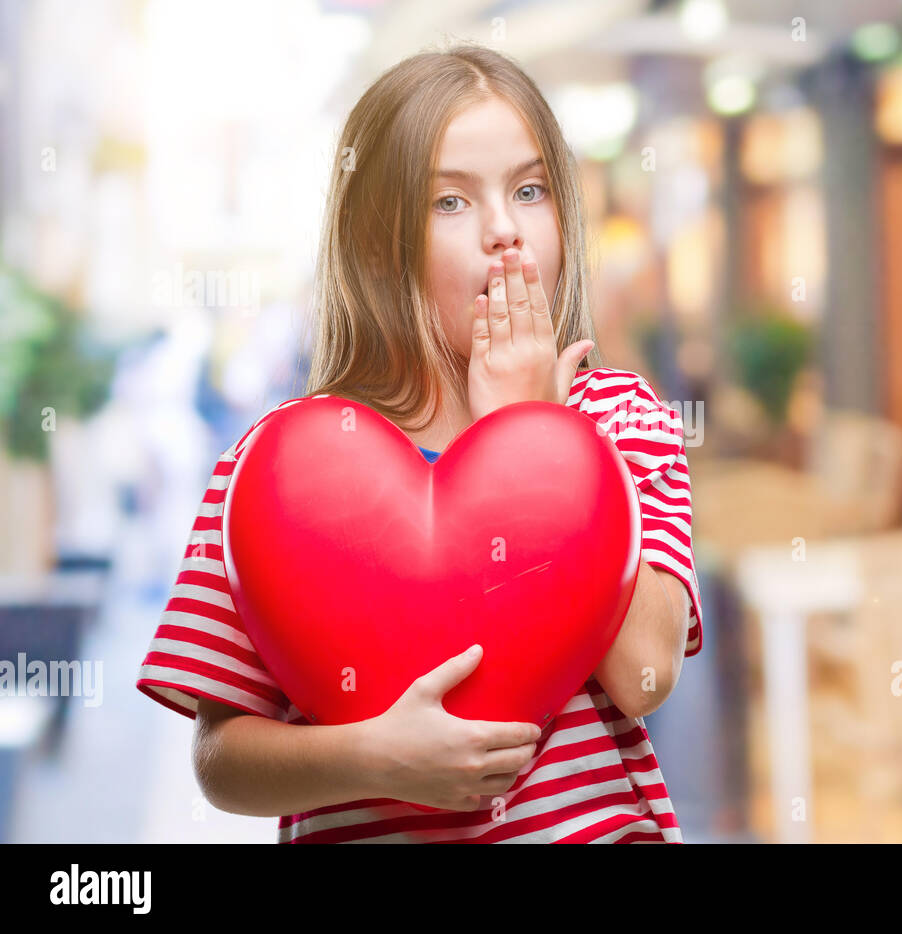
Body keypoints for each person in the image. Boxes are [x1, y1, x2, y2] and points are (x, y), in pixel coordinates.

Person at [134, 45, 704, 843]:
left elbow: (646, 673)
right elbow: (220, 759)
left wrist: (532, 431)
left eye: (530, 190)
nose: (504, 229)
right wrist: (371, 758)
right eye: (451, 203)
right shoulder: (282, 467)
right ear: (377, 242)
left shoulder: (619, 418)